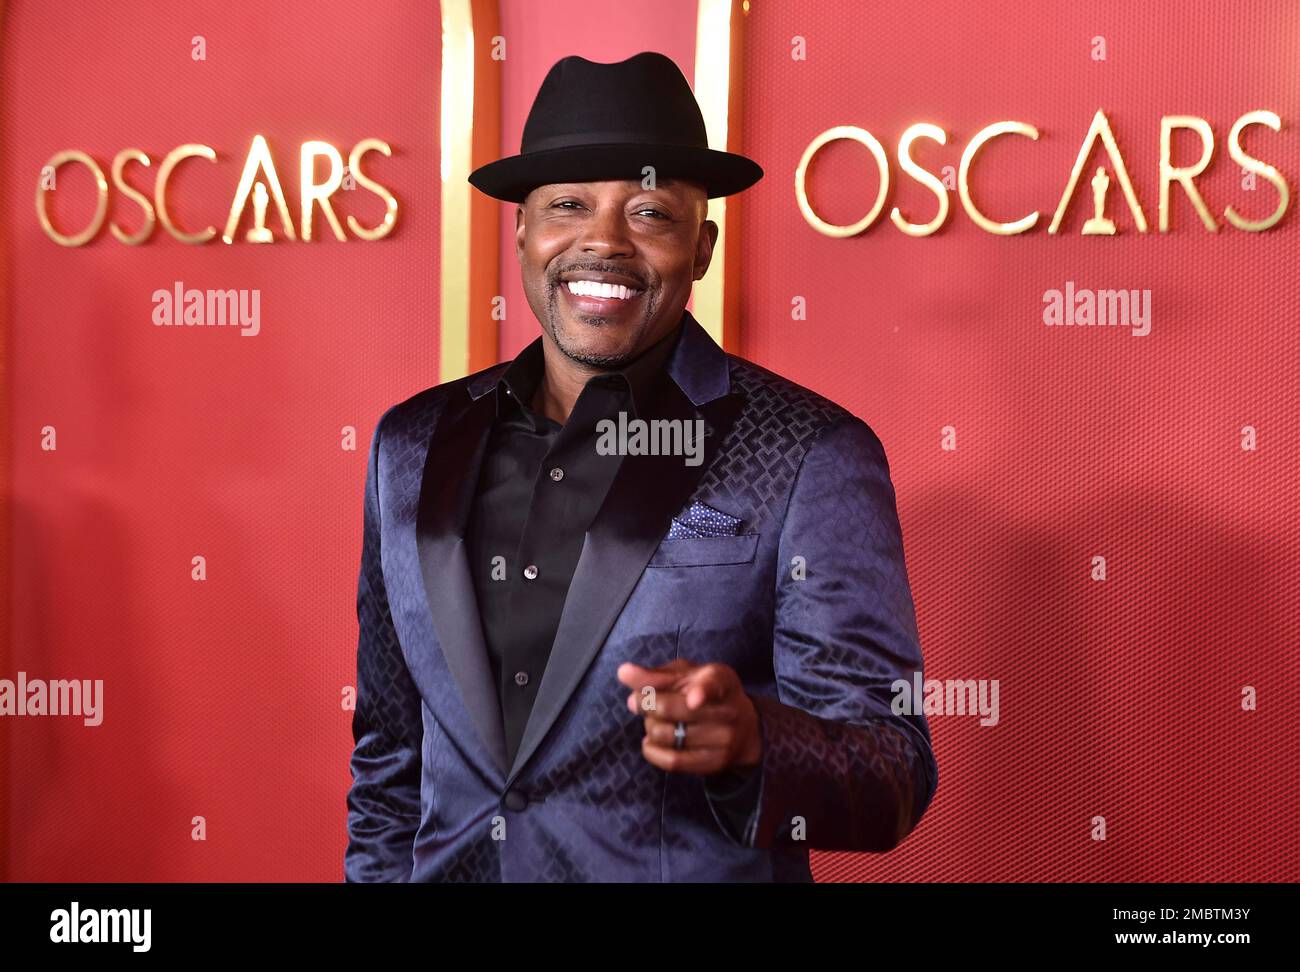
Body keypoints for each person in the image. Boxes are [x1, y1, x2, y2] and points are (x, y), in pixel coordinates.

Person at [344, 51, 937, 882]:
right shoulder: (409, 444)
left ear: (702, 247)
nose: (603, 242)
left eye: (651, 211)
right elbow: (388, 759)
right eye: (568, 205)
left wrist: (756, 742)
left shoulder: (807, 451)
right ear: (522, 232)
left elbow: (892, 769)